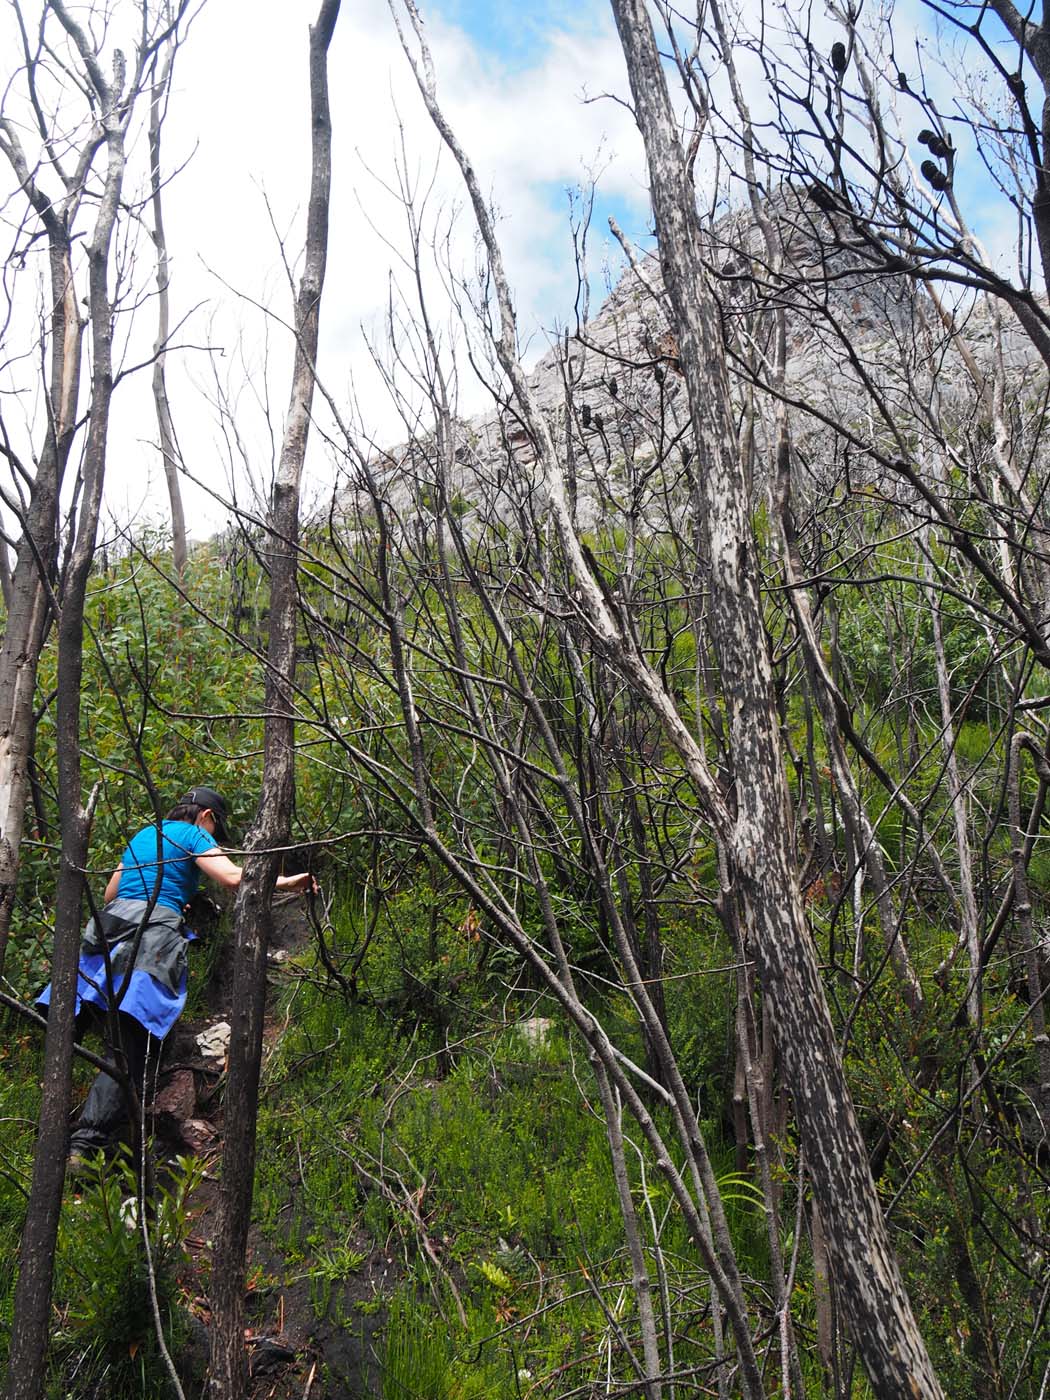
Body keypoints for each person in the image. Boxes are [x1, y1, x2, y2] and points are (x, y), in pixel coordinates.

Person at [37, 785, 316, 1169]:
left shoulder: (144, 833)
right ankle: (86, 1147)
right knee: (131, 1036)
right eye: (216, 831)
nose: (215, 839)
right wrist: (288, 882)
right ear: (207, 817)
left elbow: (110, 892)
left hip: (109, 926)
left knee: (72, 1020)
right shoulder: (194, 833)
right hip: (153, 933)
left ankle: (45, 1130)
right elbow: (233, 878)